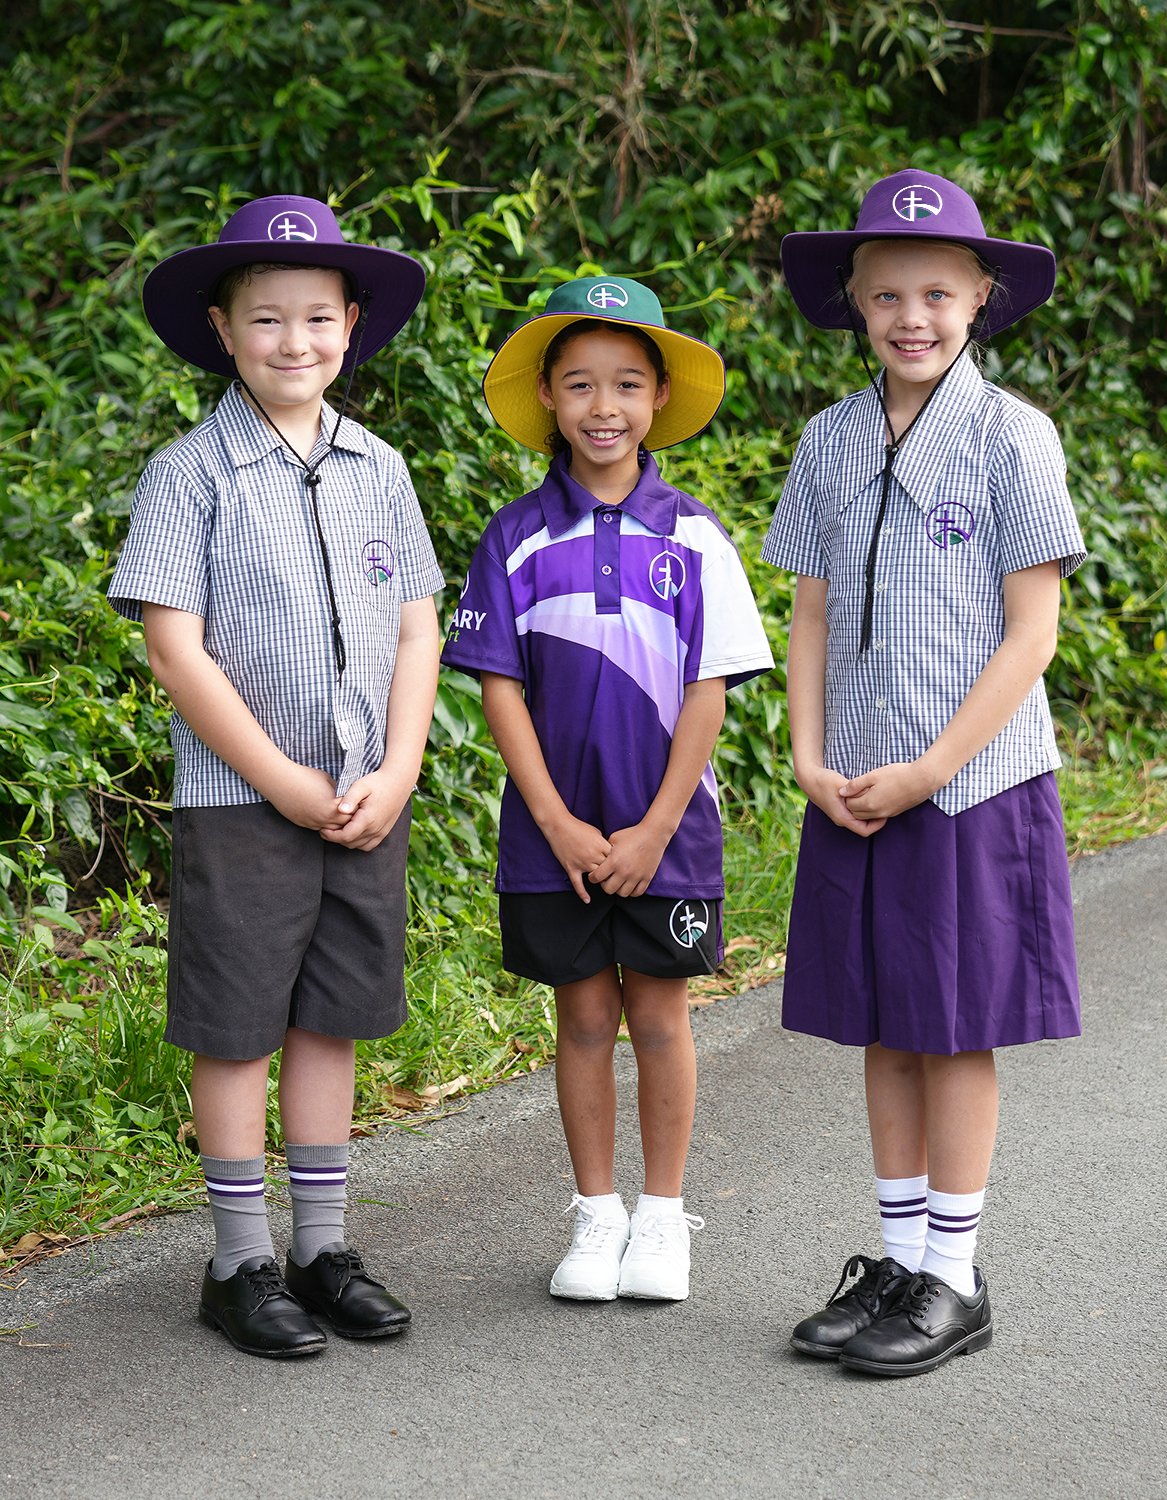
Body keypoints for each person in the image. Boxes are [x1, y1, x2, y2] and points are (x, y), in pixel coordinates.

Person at [108, 195, 443, 1358]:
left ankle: (322, 1244)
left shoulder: (378, 466)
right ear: (223, 328)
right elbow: (174, 645)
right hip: (240, 801)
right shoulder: (190, 472)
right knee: (240, 1024)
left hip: (363, 792)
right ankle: (241, 1260)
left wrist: (398, 764)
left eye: (315, 318)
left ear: (350, 324)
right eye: (266, 320)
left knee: (330, 1017)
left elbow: (415, 627)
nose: (293, 342)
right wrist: (279, 781)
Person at [762, 168, 1086, 1376]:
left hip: (973, 786)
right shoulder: (829, 440)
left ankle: (955, 1274)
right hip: (850, 786)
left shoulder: (1014, 438)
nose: (913, 315)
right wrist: (808, 753)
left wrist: (931, 765)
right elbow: (807, 608)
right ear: (852, 300)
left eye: (938, 292)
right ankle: (899, 1259)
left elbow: (1031, 634)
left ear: (981, 298)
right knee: (881, 1027)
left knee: (953, 1030)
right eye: (888, 291)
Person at [442, 276, 772, 1302]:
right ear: (546, 393)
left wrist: (650, 830)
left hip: (666, 836)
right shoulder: (514, 538)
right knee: (582, 1018)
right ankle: (595, 1217)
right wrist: (559, 823)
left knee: (660, 1016)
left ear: (658, 397)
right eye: (580, 384)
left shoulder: (698, 536)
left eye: (627, 384)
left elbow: (709, 692)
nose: (603, 407)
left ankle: (663, 1220)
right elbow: (498, 689)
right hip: (556, 838)